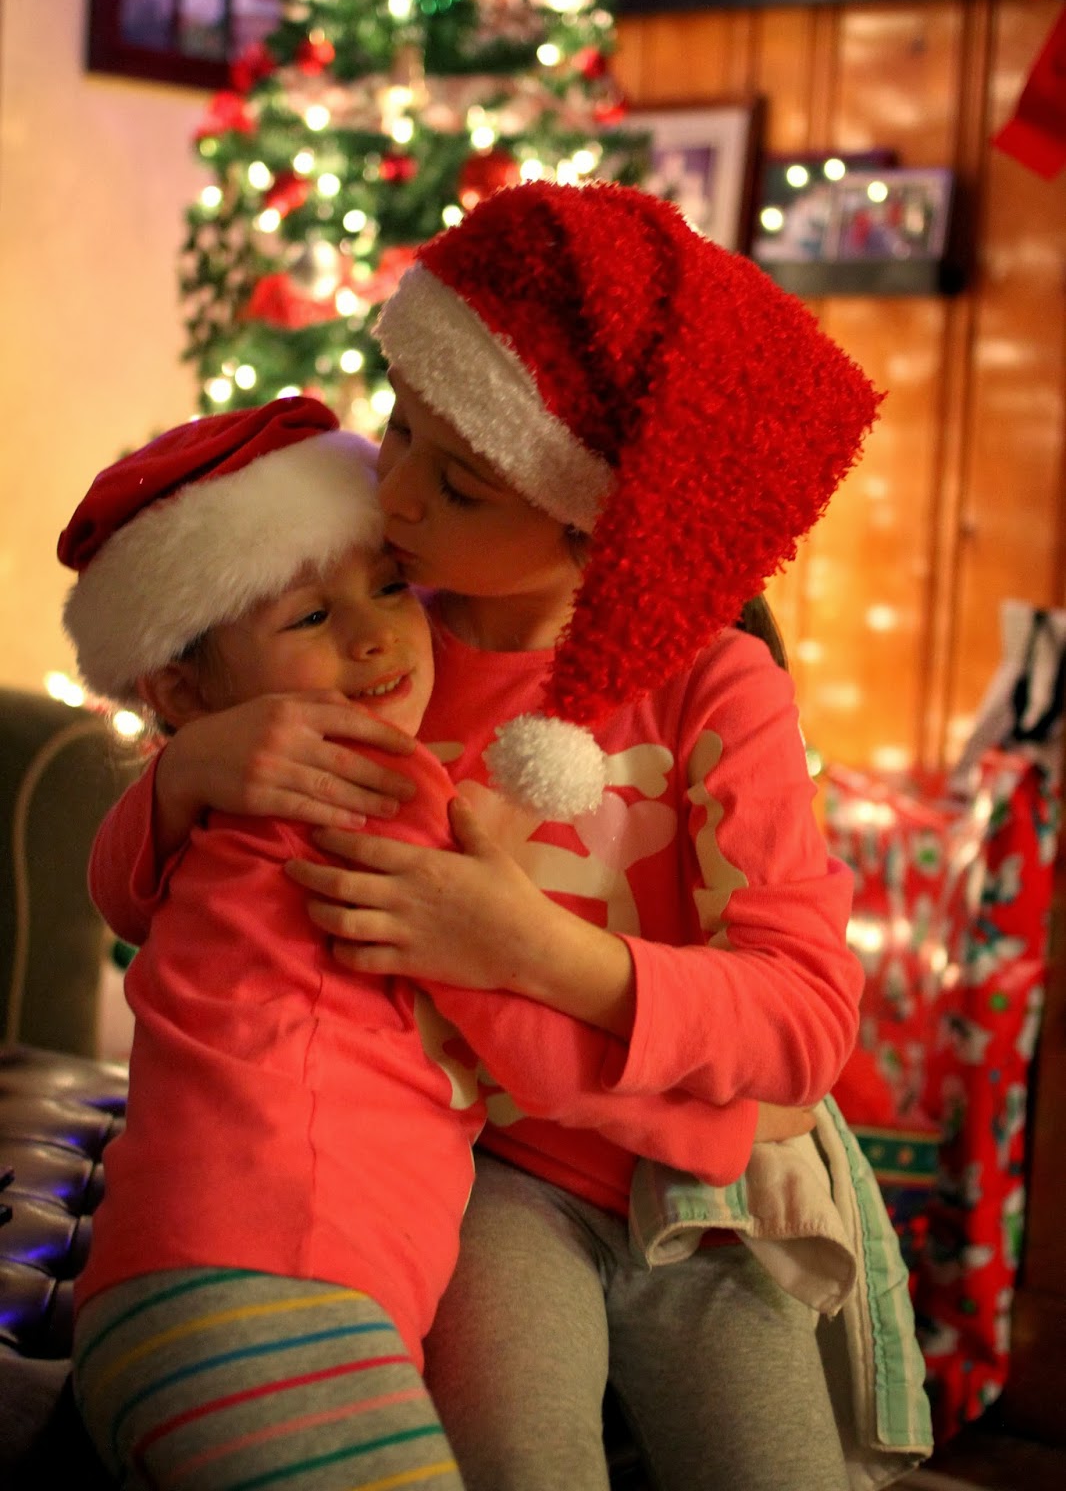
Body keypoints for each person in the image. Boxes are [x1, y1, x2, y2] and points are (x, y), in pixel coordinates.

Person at [86, 182, 930, 1491]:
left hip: (706, 1194)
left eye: (460, 478)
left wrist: (531, 949)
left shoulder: (716, 690)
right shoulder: (373, 637)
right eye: (398, 431)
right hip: (489, 1183)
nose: (397, 498)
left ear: (594, 514)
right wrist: (183, 769)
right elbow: (195, 908)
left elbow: (804, 1028)